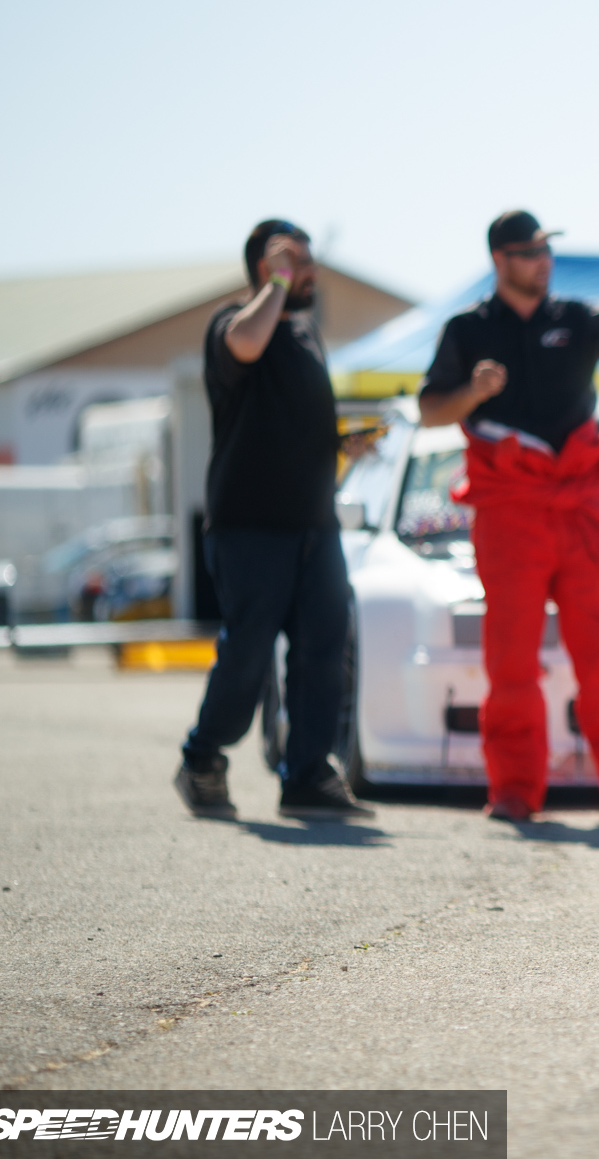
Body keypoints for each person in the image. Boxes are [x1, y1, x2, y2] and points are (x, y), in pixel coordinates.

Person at [417, 211, 599, 823]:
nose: (543, 260)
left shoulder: (577, 318)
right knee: (510, 663)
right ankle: (513, 791)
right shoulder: (466, 328)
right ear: (501, 260)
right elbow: (429, 410)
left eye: (546, 250)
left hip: (579, 508)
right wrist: (472, 394)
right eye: (530, 252)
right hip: (510, 515)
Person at [173, 220, 375, 820]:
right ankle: (203, 758)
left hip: (315, 526)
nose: (308, 270)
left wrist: (342, 446)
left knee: (322, 650)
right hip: (249, 529)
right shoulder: (234, 324)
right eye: (292, 259)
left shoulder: (307, 335)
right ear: (263, 269)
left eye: (308, 261)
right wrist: (278, 282)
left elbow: (291, 431)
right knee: (250, 656)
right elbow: (245, 344)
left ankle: (307, 775)